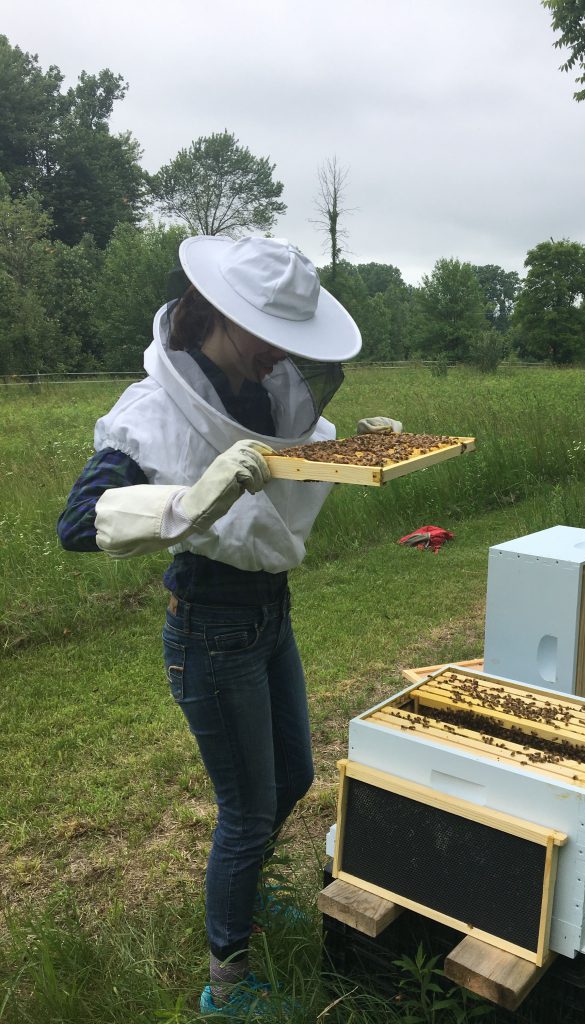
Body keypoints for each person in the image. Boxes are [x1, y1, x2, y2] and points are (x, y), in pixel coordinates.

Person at [57, 235, 402, 1017]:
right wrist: (188, 501)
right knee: (246, 810)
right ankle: (227, 982)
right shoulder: (152, 409)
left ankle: (240, 903)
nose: (282, 354)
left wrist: (356, 448)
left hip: (268, 613)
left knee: (296, 778)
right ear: (216, 314)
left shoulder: (269, 388)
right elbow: (78, 522)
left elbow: (289, 462)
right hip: (209, 629)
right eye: (267, 334)